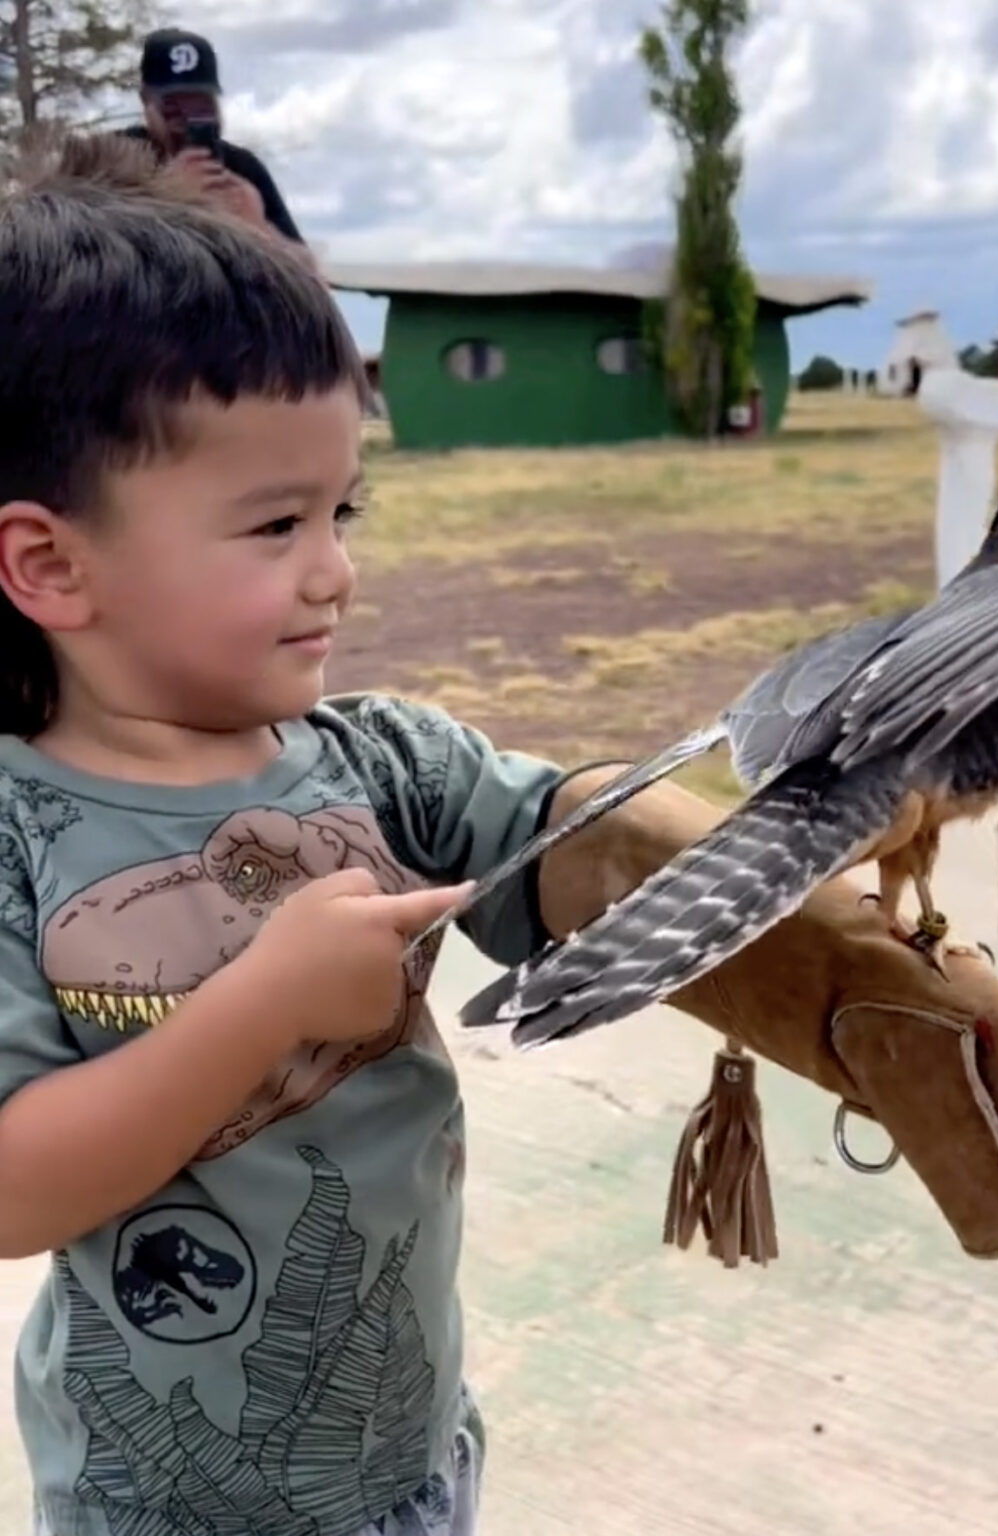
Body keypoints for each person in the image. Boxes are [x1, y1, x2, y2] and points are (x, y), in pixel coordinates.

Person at [0, 136, 568, 1536]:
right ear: (51, 564)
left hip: (415, 1462)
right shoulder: (18, 828)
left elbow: (574, 846)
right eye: (273, 524)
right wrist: (261, 1004)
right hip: (163, 1507)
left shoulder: (384, 765)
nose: (336, 568)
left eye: (342, 510)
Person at [120, 26, 312, 262]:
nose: (189, 122)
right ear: (146, 101)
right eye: (173, 110)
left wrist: (259, 228)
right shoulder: (112, 158)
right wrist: (167, 195)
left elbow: (311, 276)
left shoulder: (242, 168)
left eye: (201, 108)